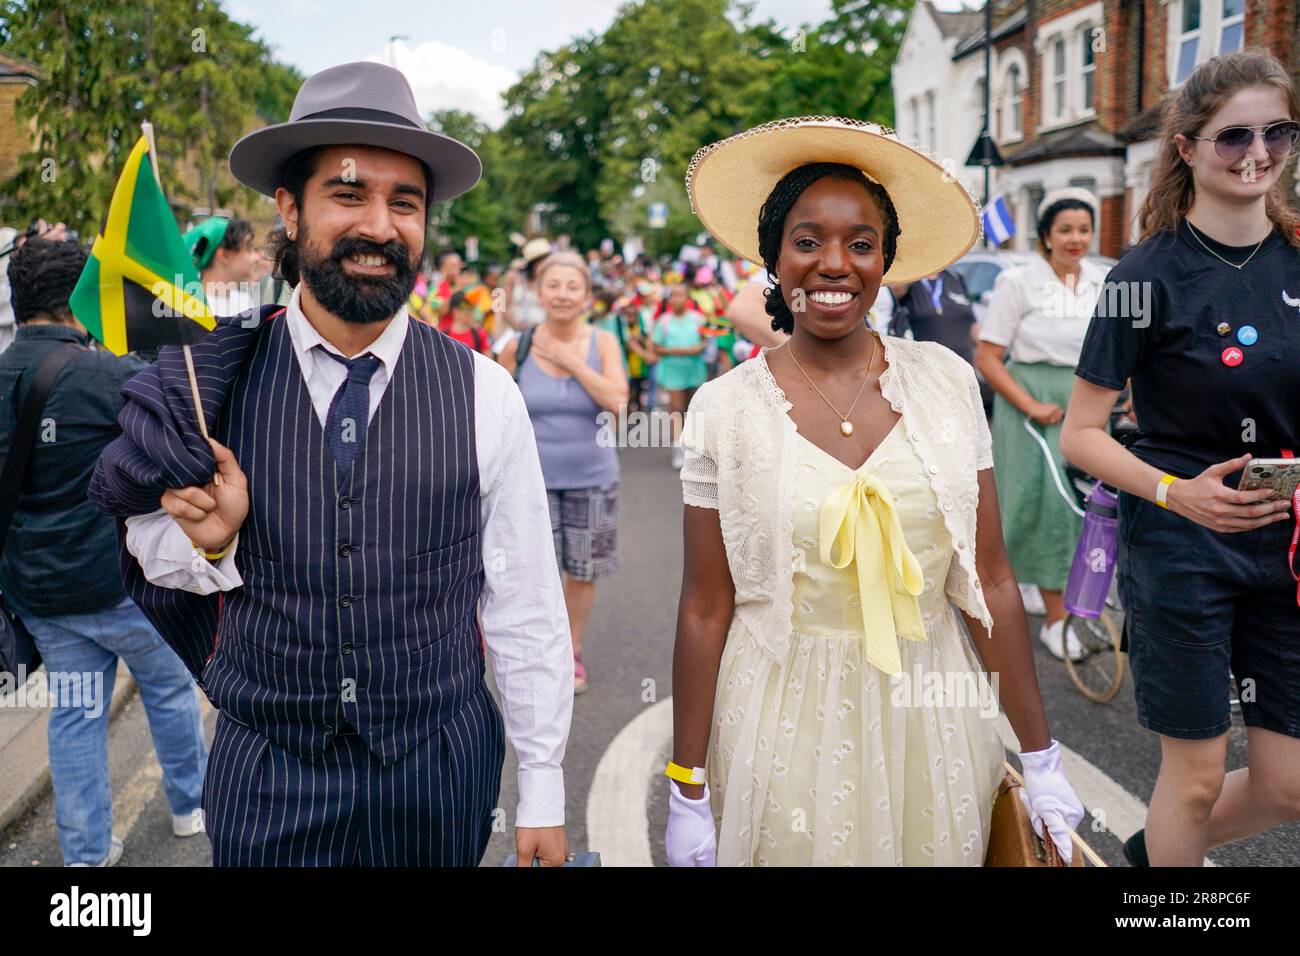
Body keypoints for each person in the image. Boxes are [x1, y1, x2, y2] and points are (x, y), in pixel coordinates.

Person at [89, 61, 574, 867]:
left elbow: (523, 599)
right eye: (349, 195)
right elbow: (152, 560)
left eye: (405, 202)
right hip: (269, 774)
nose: (380, 226)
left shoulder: (486, 394)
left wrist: (546, 786)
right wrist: (211, 543)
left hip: (438, 773)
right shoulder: (211, 384)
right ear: (290, 207)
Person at [665, 116, 1083, 866]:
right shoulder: (722, 410)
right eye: (806, 241)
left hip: (933, 713)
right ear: (774, 259)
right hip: (778, 718)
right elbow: (704, 607)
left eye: (860, 243)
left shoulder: (947, 383)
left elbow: (988, 577)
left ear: (886, 259)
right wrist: (685, 787)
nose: (834, 264)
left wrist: (1042, 754)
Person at [1062, 50, 1300, 868]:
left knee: (1288, 786)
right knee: (1193, 780)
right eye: (1234, 137)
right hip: (1182, 545)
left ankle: (1147, 856)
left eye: (1278, 131)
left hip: (1289, 543)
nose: (1258, 153)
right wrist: (1177, 495)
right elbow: (1083, 433)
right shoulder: (1144, 275)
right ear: (1188, 148)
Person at [0, 238, 207, 866]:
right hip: (118, 584)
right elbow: (179, 442)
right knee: (169, 690)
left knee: (75, 713)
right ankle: (188, 806)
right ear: (77, 302)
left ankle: (87, 855)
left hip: (36, 590)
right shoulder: (107, 375)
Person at [974, 188, 1109, 661]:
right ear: (1046, 236)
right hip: (1032, 407)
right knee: (1040, 507)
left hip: (1087, 405)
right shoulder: (1018, 282)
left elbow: (1118, 352)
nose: (1076, 239)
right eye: (1066, 230)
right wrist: (1030, 404)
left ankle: (1064, 598)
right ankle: (1057, 619)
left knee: (1086, 510)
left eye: (1084, 229)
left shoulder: (1105, 281)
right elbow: (988, 357)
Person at [501, 251, 627, 695]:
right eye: (553, 285)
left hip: (592, 476)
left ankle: (570, 650)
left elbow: (619, 402)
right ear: (539, 292)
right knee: (536, 571)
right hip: (530, 482)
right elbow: (497, 409)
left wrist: (570, 361)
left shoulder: (603, 343)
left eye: (573, 286)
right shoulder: (517, 345)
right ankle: (539, 651)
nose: (563, 294)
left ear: (587, 296)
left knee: (582, 569)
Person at [652, 284, 708, 470]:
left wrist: (697, 349)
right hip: (672, 370)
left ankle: (695, 448)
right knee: (676, 409)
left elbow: (706, 342)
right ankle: (678, 448)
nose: (676, 299)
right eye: (672, 296)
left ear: (688, 299)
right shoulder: (664, 321)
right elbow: (655, 347)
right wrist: (678, 351)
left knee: (695, 409)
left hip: (694, 370)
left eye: (680, 295)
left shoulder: (698, 319)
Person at [183, 217, 259, 316]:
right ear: (224, 255)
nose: (256, 258)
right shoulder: (192, 309)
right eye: (248, 248)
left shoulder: (245, 302)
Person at [504, 237, 550, 330]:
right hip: (517, 331)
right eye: (541, 261)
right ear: (533, 262)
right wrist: (514, 324)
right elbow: (503, 305)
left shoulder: (550, 280)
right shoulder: (513, 276)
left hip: (544, 330)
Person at [440, 288, 492, 355]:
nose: (468, 311)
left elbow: (488, 360)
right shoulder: (443, 336)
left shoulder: (479, 334)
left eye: (471, 307)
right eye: (464, 307)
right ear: (455, 311)